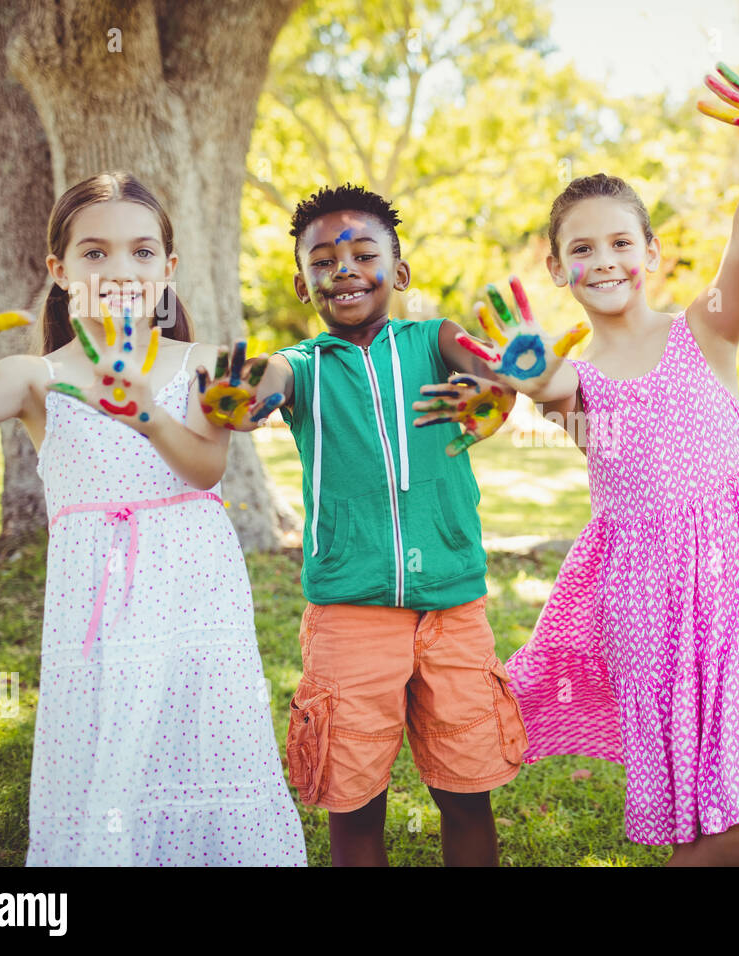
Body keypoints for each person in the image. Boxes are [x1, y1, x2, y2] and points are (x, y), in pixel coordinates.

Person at [449, 53, 739, 865]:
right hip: (646, 604)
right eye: (583, 248)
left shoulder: (705, 332)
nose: (604, 259)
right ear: (557, 267)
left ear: (651, 251)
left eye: (620, 241)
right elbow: (555, 390)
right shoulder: (583, 381)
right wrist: (535, 379)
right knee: (691, 815)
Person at [0, 172, 307, 865]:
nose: (120, 269)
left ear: (169, 269)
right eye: (95, 254)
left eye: (142, 252)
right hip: (96, 610)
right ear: (59, 271)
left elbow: (213, 459)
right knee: (110, 754)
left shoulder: (202, 365)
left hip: (196, 599)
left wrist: (177, 410)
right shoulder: (38, 377)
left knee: (202, 738)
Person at [235, 183, 527, 867]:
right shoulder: (301, 366)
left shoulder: (435, 338)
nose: (343, 270)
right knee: (354, 800)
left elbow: (493, 379)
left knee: (466, 792)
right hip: (349, 613)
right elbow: (259, 392)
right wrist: (243, 397)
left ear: (399, 273)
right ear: (304, 286)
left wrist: (498, 392)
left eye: (363, 254)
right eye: (322, 262)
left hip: (452, 607)